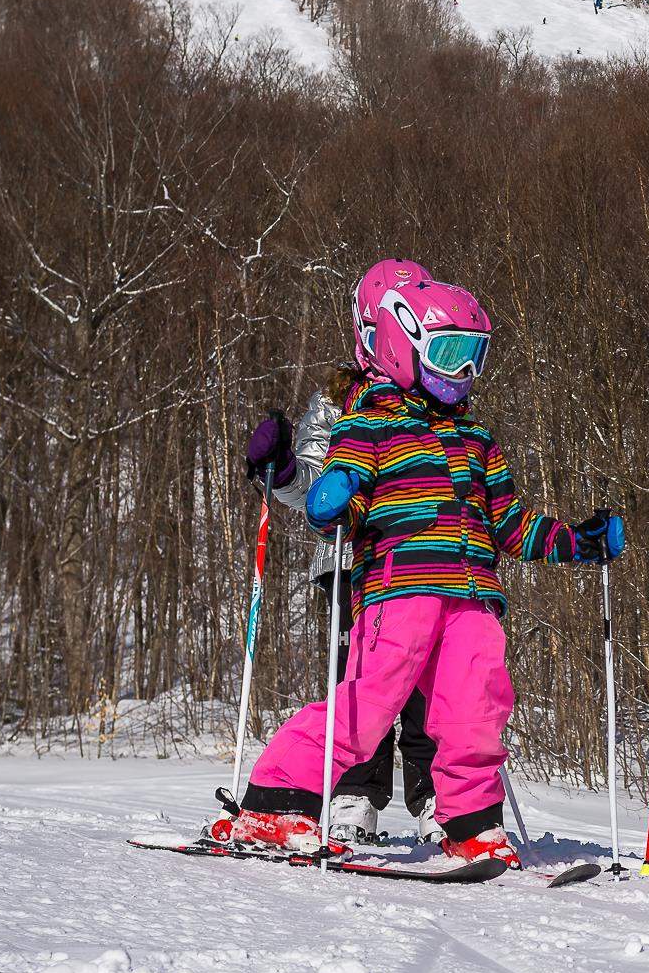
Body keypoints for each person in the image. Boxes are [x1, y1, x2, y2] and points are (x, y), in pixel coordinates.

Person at [224, 270, 625, 865]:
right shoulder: (368, 422)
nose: (462, 372)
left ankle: (470, 821)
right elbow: (342, 495)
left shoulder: (477, 439)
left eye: (473, 356)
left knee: (477, 706)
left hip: (473, 597)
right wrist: (329, 492)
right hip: (399, 590)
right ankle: (277, 800)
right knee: (368, 703)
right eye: (448, 354)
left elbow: (511, 523)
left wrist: (577, 542)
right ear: (398, 345)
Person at [243, 261, 442, 847]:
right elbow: (311, 481)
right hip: (351, 564)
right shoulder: (338, 402)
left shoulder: (437, 402)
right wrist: (280, 468)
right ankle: (356, 790)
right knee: (362, 681)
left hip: (424, 564)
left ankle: (435, 792)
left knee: (429, 685)